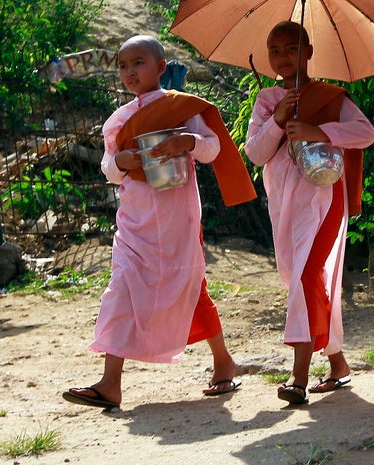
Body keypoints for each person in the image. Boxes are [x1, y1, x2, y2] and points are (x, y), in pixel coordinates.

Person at [63, 35, 256, 410]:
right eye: (123, 66)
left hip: (177, 220)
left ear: (160, 67)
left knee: (191, 288)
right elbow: (108, 168)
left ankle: (223, 361)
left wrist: (188, 140)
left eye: (139, 63)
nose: (130, 72)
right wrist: (122, 163)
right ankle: (110, 383)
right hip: (134, 223)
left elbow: (212, 147)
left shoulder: (181, 107)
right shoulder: (119, 119)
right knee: (121, 288)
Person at [245, 21, 374, 405]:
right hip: (283, 201)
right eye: (275, 50)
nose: (283, 57)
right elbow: (255, 153)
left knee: (305, 274)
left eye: (292, 48)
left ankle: (298, 376)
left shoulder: (329, 96)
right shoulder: (268, 99)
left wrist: (320, 131)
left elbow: (365, 133)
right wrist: (277, 119)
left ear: (308, 52)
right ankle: (337, 363)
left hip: (323, 196)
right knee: (300, 277)